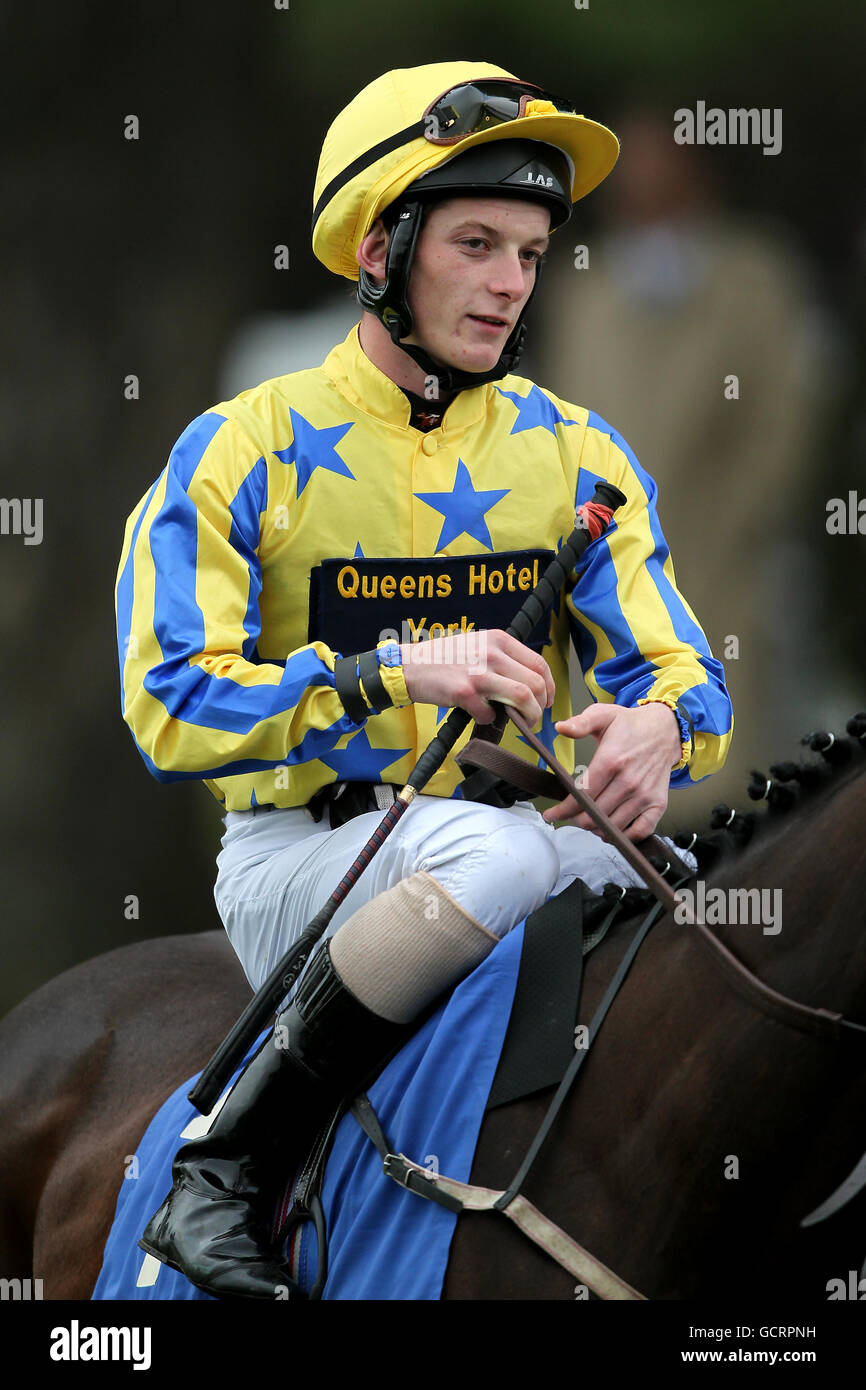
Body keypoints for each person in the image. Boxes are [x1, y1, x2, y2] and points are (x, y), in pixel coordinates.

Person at [115, 60, 732, 1300]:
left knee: (719, 904)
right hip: (306, 861)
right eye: (475, 244)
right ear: (381, 251)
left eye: (531, 252)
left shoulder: (574, 452)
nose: (510, 284)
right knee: (491, 859)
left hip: (508, 843)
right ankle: (222, 1168)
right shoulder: (242, 447)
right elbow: (166, 704)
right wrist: (387, 670)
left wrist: (660, 729)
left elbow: (687, 671)